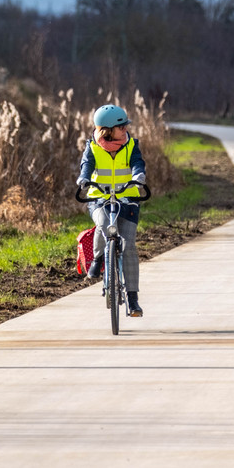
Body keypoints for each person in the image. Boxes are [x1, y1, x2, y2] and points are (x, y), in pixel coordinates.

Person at [76, 103, 148, 317]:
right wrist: (84, 178)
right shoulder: (92, 146)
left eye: (126, 125)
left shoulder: (131, 144)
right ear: (107, 130)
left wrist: (138, 176)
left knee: (129, 246)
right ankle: (98, 258)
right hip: (100, 198)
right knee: (104, 224)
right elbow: (87, 165)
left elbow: (138, 163)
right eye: (121, 126)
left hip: (128, 198)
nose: (125, 129)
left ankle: (133, 300)